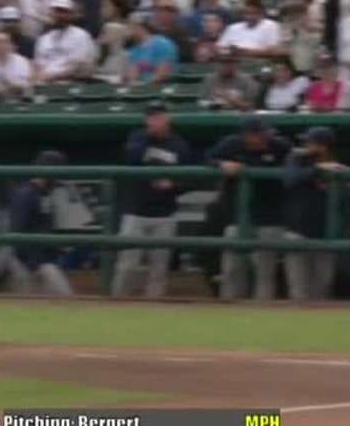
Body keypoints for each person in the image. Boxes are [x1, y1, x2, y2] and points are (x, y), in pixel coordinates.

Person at [110, 104, 192, 299]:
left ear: (168, 118)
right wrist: (148, 136)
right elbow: (130, 158)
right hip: (135, 211)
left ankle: (154, 306)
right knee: (127, 264)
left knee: (159, 267)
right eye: (151, 117)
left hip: (165, 213)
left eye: (158, 116)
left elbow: (190, 180)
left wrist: (171, 185)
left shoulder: (179, 146)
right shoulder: (137, 137)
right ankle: (118, 303)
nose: (154, 120)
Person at [205, 118, 293, 301]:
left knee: (265, 269)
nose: (264, 137)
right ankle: (230, 305)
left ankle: (263, 308)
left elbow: (295, 162)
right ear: (248, 135)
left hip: (270, 215)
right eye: (259, 134)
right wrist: (222, 164)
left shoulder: (279, 146)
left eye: (265, 133)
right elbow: (208, 157)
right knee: (232, 267)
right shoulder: (232, 144)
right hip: (237, 214)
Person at [0, 150, 74, 296]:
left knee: (51, 302)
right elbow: (17, 232)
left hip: (39, 261)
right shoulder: (26, 194)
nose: (58, 180)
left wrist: (57, 248)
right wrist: (33, 265)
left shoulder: (43, 195)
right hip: (24, 263)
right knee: (60, 298)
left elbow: (39, 229)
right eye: (58, 173)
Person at [283, 126, 344, 301]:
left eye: (310, 142)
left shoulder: (338, 163)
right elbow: (290, 179)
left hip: (327, 233)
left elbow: (345, 200)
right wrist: (317, 168)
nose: (306, 145)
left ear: (323, 146)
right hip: (298, 230)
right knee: (298, 290)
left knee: (322, 288)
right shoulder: (297, 159)